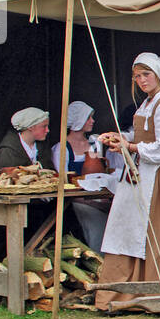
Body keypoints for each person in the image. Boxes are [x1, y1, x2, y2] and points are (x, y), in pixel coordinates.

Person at [94, 53, 160, 309]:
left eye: (146, 74)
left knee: (158, 230)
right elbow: (141, 136)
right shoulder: (148, 103)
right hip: (138, 174)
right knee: (127, 228)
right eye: (137, 76)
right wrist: (119, 137)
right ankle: (125, 291)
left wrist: (131, 147)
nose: (141, 80)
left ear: (158, 74)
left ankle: (159, 293)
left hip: (159, 177)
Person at [50, 100, 109, 252]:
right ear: (78, 120)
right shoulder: (62, 149)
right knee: (95, 223)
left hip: (100, 196)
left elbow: (102, 173)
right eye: (88, 117)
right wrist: (92, 202)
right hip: (77, 200)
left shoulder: (95, 143)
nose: (93, 121)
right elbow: (62, 182)